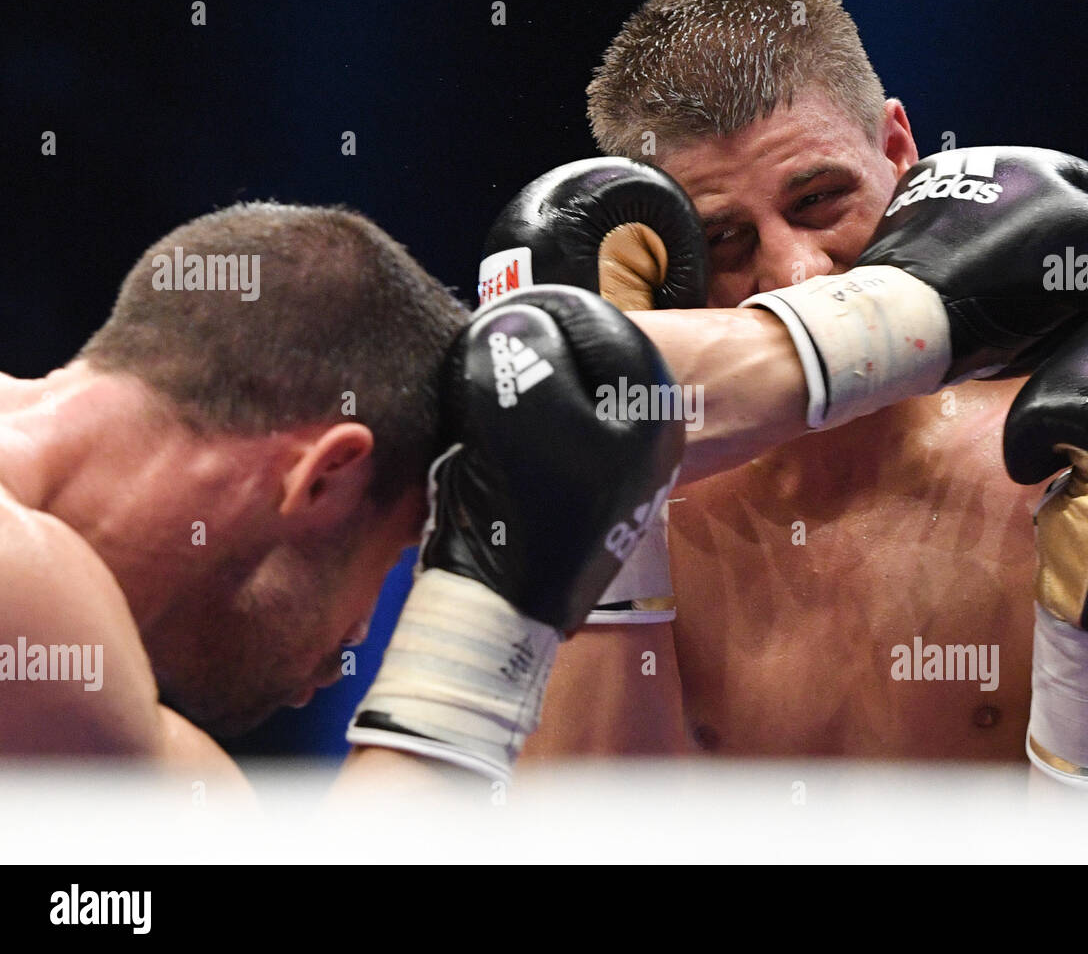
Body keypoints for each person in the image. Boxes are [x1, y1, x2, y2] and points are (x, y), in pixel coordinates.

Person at [514, 0, 1088, 796]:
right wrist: (609, 502)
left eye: (821, 199)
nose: (794, 272)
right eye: (723, 240)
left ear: (899, 147)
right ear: (657, 254)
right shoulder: (646, 481)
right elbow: (582, 836)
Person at [0, 202, 684, 800]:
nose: (356, 640)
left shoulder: (68, 658)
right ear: (325, 476)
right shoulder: (29, 585)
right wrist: (494, 615)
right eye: (399, 556)